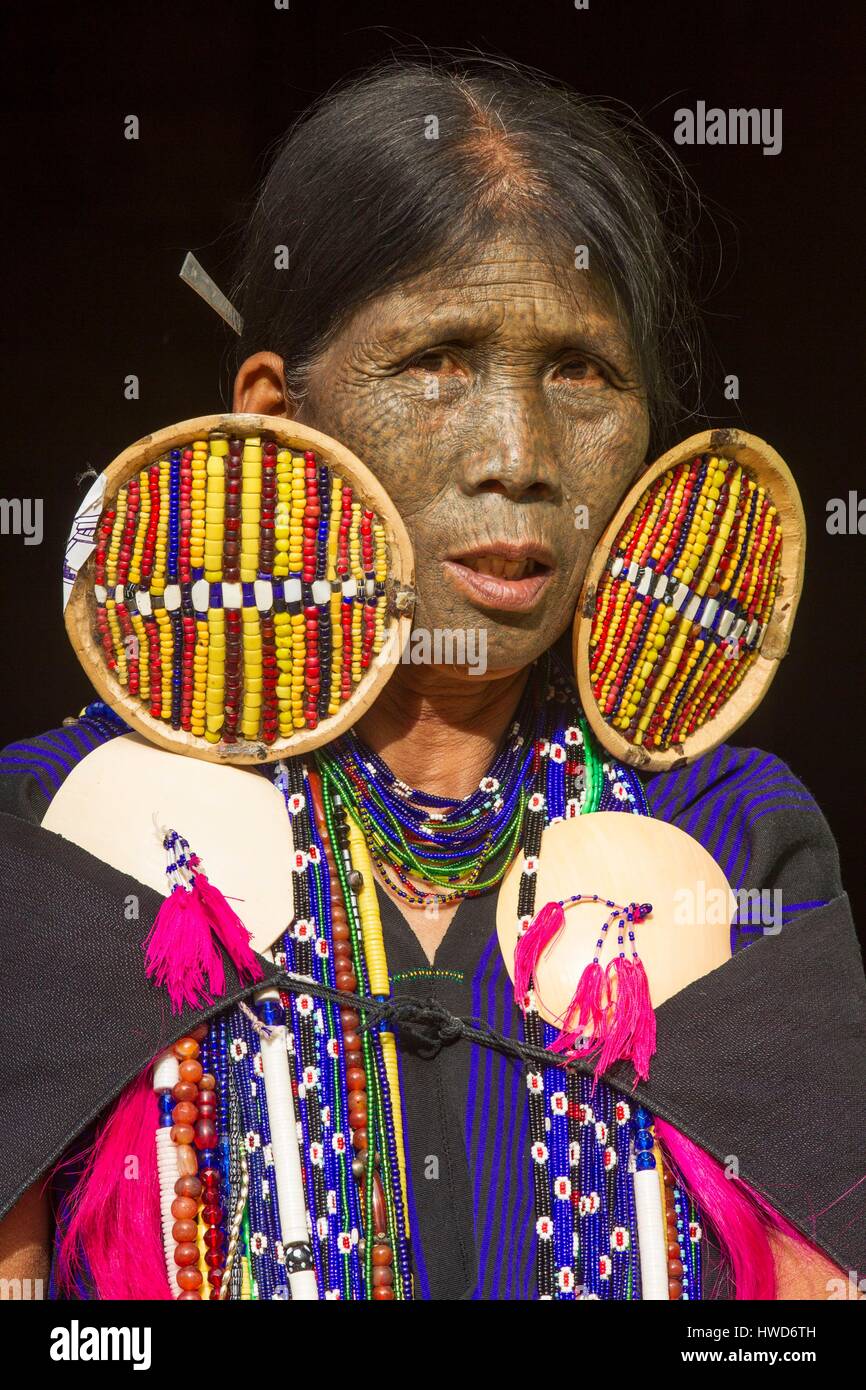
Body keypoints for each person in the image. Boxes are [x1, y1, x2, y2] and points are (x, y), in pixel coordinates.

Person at [0, 57, 862, 1301]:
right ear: (275, 406)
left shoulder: (727, 837)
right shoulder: (70, 834)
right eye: (436, 361)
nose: (516, 458)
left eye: (581, 372)